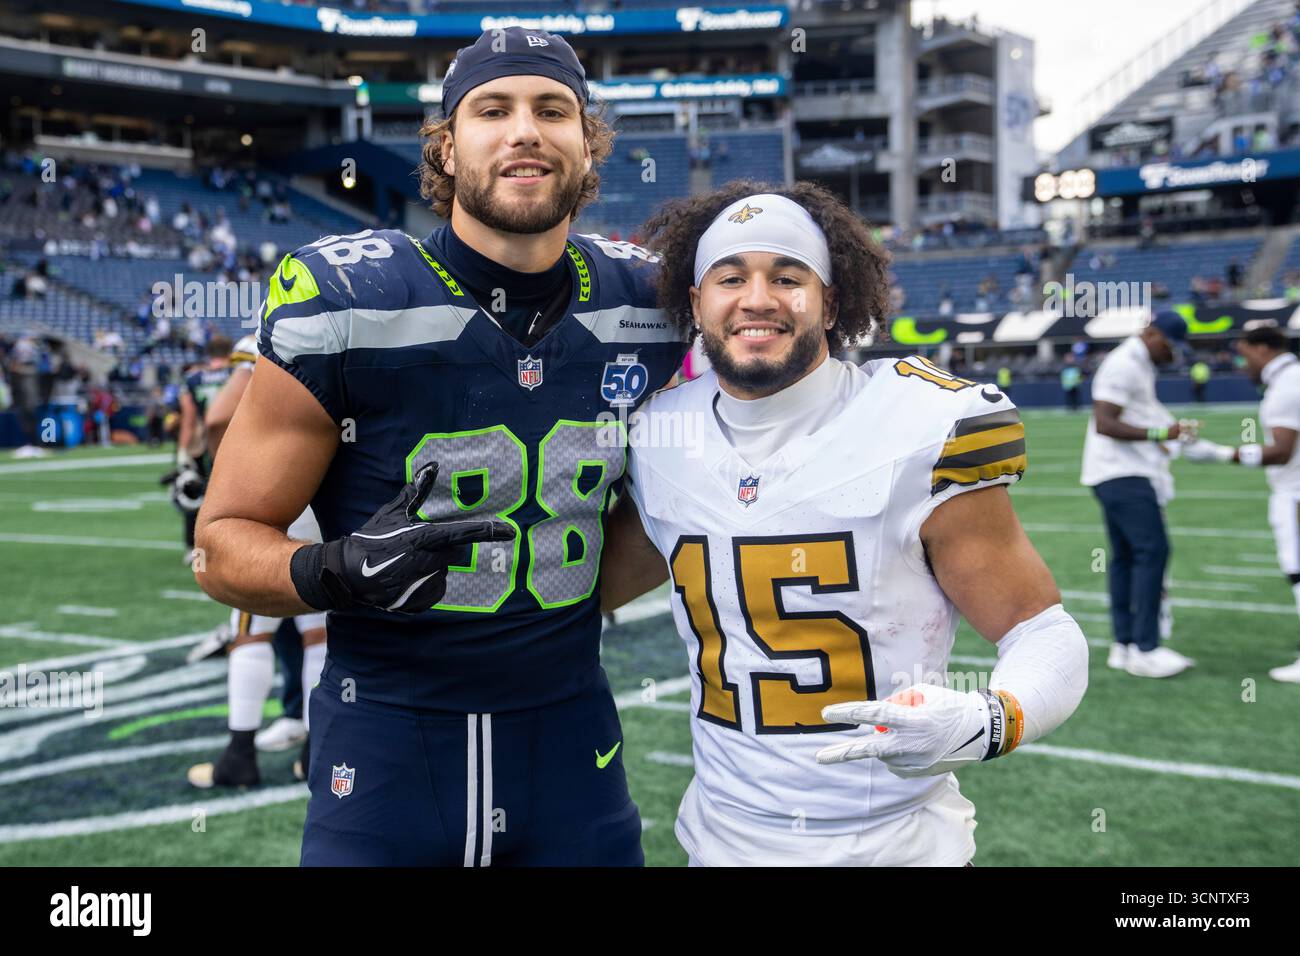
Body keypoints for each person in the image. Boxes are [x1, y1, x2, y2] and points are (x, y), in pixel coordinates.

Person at [193, 27, 686, 866]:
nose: (525, 129)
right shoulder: (350, 300)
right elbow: (219, 546)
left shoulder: (649, 304)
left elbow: (698, 489)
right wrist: (333, 570)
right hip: (386, 740)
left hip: (570, 743)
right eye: (493, 109)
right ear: (448, 149)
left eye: (552, 110)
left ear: (588, 143)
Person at [600, 183, 1089, 866]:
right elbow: (583, 591)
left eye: (789, 277)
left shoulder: (918, 425)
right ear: (695, 302)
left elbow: (1046, 635)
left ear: (831, 300)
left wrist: (987, 719)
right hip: (720, 841)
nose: (759, 299)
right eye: (731, 277)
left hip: (896, 847)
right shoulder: (657, 433)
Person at [186, 334, 328, 788]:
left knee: (249, 628)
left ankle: (239, 755)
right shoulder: (348, 319)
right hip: (329, 494)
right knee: (317, 626)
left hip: (277, 489)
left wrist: (222, 471)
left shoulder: (273, 330)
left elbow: (220, 416)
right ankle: (315, 752)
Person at [1080, 311, 1196, 678]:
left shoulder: (1139, 363)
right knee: (1151, 551)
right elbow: (1105, 422)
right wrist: (1162, 436)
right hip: (1122, 473)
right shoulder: (1124, 364)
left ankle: (1125, 644)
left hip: (1116, 472)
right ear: (1151, 333)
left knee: (1127, 557)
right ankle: (1146, 647)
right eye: (1170, 345)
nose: (1172, 355)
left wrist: (1167, 432)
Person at [1183, 325, 1300, 682]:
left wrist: (1218, 453)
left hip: (1295, 491)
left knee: (1297, 572)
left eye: (1245, 352)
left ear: (1263, 349)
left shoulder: (1286, 386)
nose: (1241, 362)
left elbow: (1281, 452)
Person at [171, 335, 233, 565]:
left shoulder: (194, 377)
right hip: (235, 440)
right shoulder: (237, 373)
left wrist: (182, 451)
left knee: (196, 494)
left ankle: (194, 548)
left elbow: (188, 420)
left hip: (204, 444)